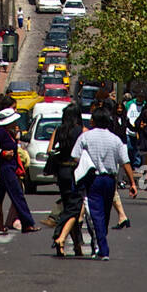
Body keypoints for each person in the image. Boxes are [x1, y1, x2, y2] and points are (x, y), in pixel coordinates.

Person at [71, 107, 137, 259]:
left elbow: (75, 157)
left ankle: (103, 249)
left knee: (96, 214)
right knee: (105, 213)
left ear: (93, 121)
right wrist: (132, 183)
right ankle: (101, 243)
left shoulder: (85, 137)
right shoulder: (115, 139)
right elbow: (125, 162)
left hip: (93, 179)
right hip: (109, 180)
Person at [47, 106, 87, 257]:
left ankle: (76, 246)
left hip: (61, 171)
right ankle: (59, 235)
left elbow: (49, 149)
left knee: (69, 206)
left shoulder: (59, 130)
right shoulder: (82, 130)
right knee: (74, 208)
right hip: (75, 171)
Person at [0, 107, 39, 233]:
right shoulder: (0, 133)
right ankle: (27, 223)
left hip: (10, 167)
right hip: (5, 168)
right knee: (17, 195)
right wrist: (3, 153)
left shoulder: (8, 132)